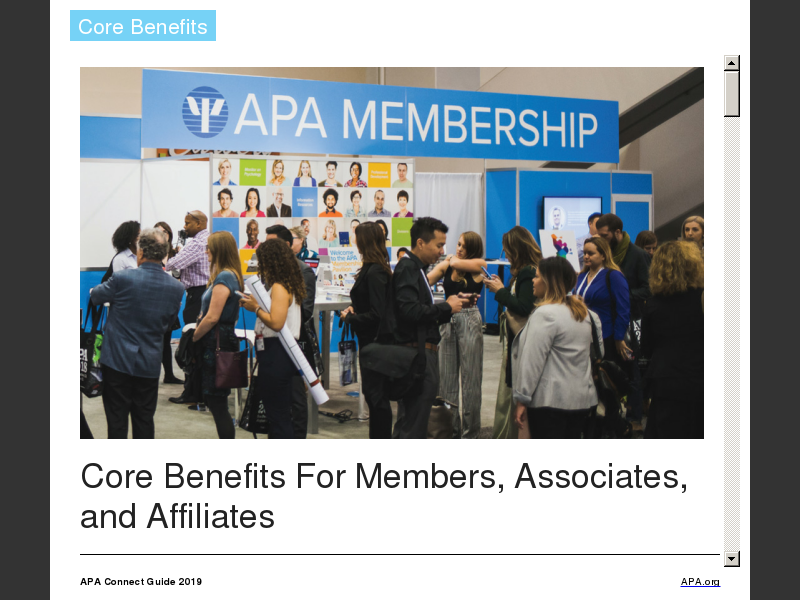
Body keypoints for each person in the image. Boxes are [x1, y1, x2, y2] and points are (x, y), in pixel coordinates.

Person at [90, 229, 184, 438]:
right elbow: (168, 324)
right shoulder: (176, 288)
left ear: (140, 252)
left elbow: (96, 297)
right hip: (149, 365)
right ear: (164, 254)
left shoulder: (122, 278)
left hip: (116, 362)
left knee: (116, 422)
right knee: (144, 421)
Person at [392, 217, 472, 439]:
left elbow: (418, 310)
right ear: (420, 243)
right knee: (413, 425)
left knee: (414, 421)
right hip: (416, 355)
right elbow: (409, 312)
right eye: (438, 245)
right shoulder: (408, 268)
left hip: (422, 353)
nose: (442, 251)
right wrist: (445, 307)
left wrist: (451, 306)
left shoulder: (417, 269)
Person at [512, 257, 600, 438]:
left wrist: (522, 398)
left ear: (549, 281)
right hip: (581, 401)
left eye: (537, 276)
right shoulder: (587, 314)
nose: (533, 281)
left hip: (550, 403)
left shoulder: (545, 314)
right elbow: (599, 352)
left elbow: (532, 362)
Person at [239, 239, 307, 439]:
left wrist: (255, 309)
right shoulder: (286, 284)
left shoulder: (279, 286)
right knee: (278, 413)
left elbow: (276, 322)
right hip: (279, 352)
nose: (260, 266)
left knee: (277, 415)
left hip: (277, 352)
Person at [425, 232, 486, 438]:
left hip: (470, 319)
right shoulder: (448, 264)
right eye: (458, 244)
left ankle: (471, 434)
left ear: (473, 249)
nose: (458, 248)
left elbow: (458, 263)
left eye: (464, 246)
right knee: (446, 381)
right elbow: (426, 281)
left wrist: (450, 260)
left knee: (471, 380)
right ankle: (450, 431)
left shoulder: (478, 264)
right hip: (447, 319)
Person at [483, 226, 542, 439]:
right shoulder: (527, 271)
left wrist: (500, 292)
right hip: (519, 339)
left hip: (521, 340)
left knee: (514, 388)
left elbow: (524, 306)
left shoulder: (527, 272)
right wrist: (502, 289)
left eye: (507, 249)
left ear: (517, 249)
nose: (505, 254)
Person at [642, 241, 704, 439]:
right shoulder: (702, 298)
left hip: (665, 378)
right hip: (699, 375)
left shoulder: (652, 304)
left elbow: (646, 347)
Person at [340, 223, 395, 438]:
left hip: (376, 343)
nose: (354, 240)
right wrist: (355, 308)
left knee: (377, 397)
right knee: (373, 396)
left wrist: (351, 318)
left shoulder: (376, 271)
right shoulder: (372, 268)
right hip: (369, 341)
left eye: (357, 236)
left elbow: (377, 314)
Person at [595, 213, 650, 428]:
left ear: (617, 232)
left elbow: (648, 289)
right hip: (607, 323)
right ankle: (612, 417)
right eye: (598, 235)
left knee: (631, 369)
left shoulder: (637, 255)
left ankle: (634, 417)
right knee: (607, 370)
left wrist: (621, 294)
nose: (601, 239)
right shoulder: (602, 256)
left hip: (630, 322)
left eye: (605, 235)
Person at [574, 236, 632, 436]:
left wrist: (619, 338)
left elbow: (624, 308)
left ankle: (614, 427)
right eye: (585, 253)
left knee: (606, 385)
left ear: (603, 255)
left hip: (606, 337)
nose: (586, 256)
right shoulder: (582, 276)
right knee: (589, 385)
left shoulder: (613, 276)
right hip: (584, 338)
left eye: (591, 253)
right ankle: (593, 426)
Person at [190, 232, 244, 439]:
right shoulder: (229, 275)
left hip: (216, 343)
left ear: (218, 249)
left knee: (217, 401)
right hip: (220, 340)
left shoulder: (224, 277)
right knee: (216, 400)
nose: (206, 252)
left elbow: (212, 317)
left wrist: (194, 337)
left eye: (209, 247)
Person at [266, 225, 317, 439]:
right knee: (278, 400)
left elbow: (305, 311)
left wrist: (270, 313)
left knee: (296, 395)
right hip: (274, 344)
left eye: (272, 243)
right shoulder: (272, 272)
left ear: (286, 245)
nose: (267, 248)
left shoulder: (302, 271)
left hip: (295, 342)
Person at [165, 211, 210, 405]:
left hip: (197, 296)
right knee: (200, 345)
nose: (184, 227)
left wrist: (172, 255)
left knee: (191, 346)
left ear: (199, 224)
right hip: (203, 294)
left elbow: (171, 265)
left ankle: (191, 393)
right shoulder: (208, 239)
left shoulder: (196, 243)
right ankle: (199, 391)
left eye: (187, 223)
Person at [154, 221, 182, 385]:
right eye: (158, 231)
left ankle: (169, 375)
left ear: (170, 234)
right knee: (156, 341)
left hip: (170, 301)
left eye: (165, 231)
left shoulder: (174, 254)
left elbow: (178, 276)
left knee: (166, 340)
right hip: (155, 302)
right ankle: (153, 374)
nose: (162, 234)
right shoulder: (152, 253)